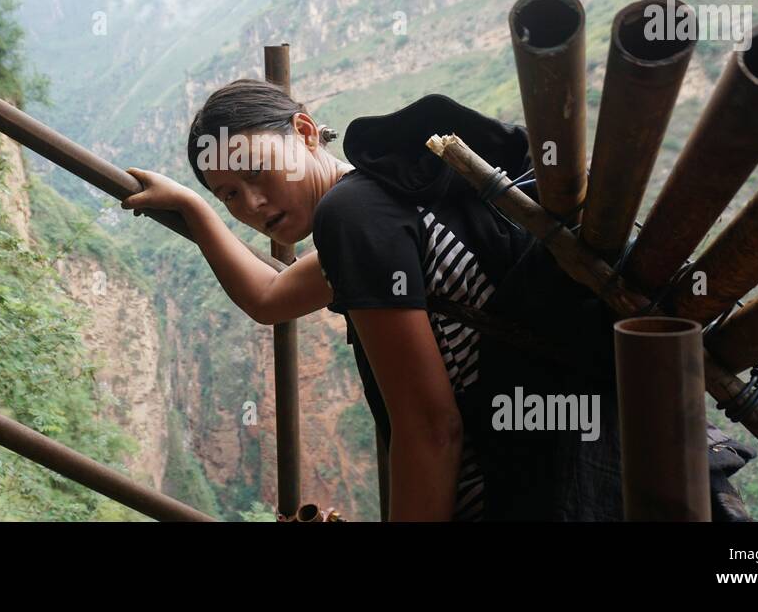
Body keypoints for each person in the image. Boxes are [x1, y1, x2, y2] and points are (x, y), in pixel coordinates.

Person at [121, 78, 647, 521]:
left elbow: (432, 430)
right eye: (229, 194)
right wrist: (194, 207)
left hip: (525, 497)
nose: (252, 203)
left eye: (256, 170)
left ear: (304, 133)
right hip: (598, 460)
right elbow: (269, 296)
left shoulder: (351, 218)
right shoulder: (389, 196)